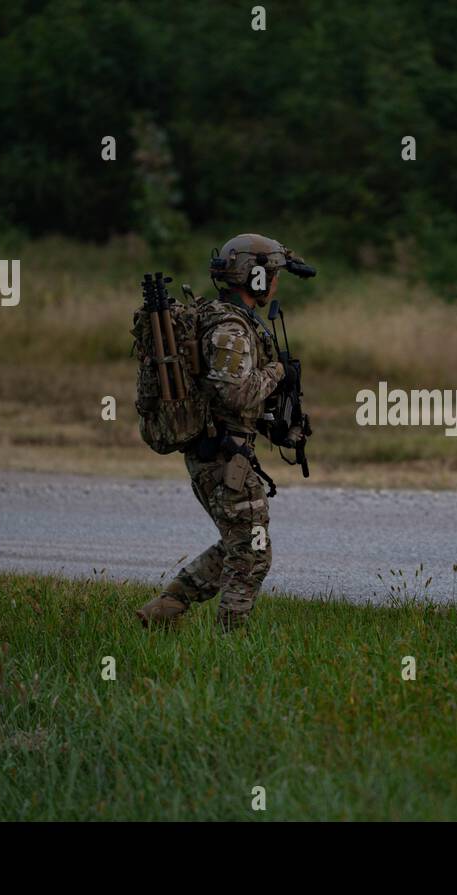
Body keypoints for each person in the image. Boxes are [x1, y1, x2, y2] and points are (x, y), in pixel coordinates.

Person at [137, 234, 309, 630]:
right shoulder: (229, 327)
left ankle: (167, 608)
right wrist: (279, 372)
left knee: (238, 544)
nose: (276, 282)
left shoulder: (224, 317)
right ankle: (230, 641)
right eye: (272, 274)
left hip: (218, 451)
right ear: (257, 278)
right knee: (252, 552)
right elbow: (234, 393)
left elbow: (223, 395)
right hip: (220, 456)